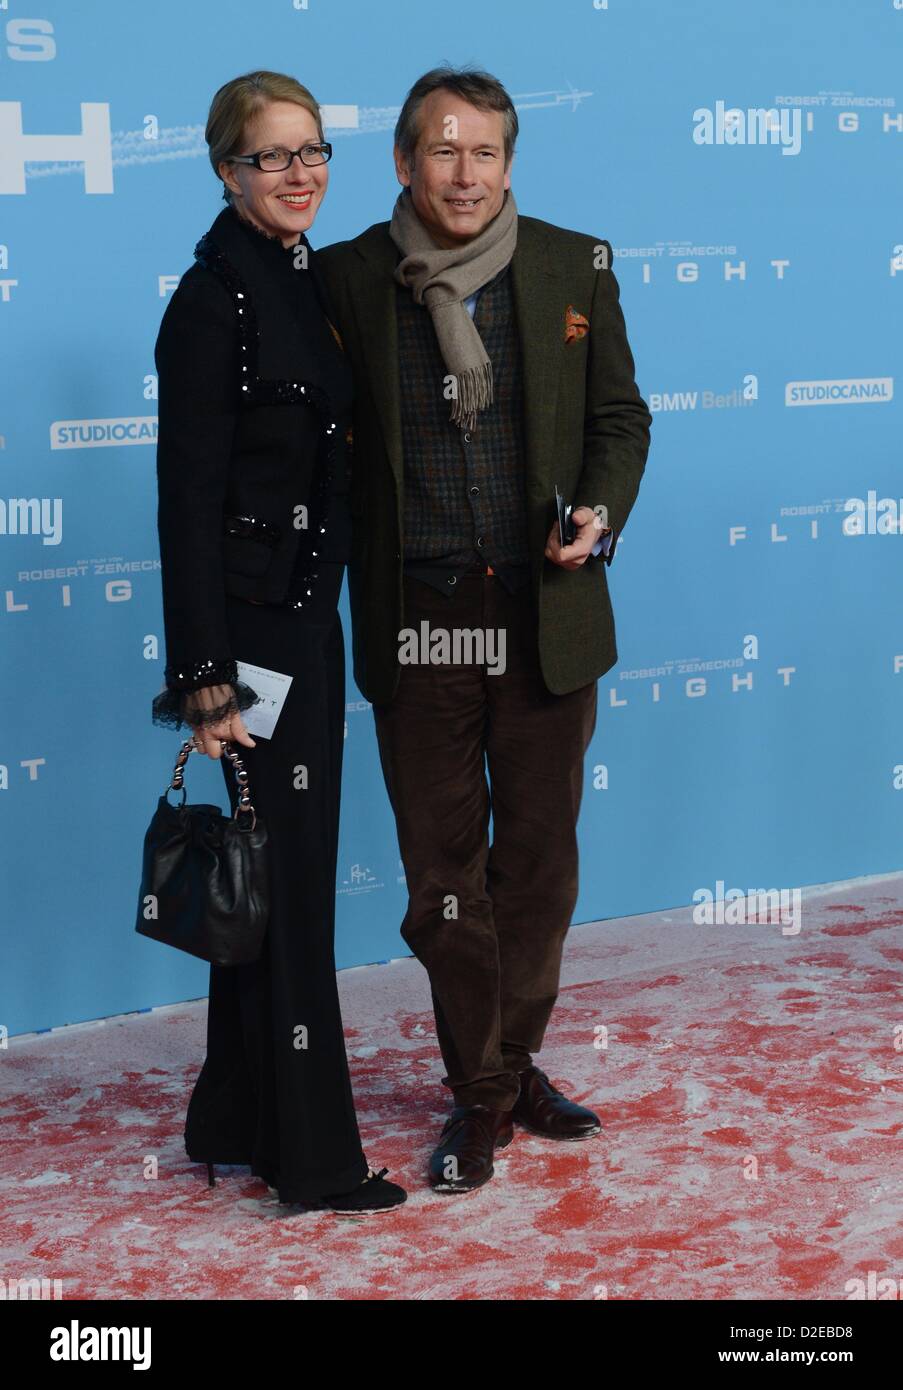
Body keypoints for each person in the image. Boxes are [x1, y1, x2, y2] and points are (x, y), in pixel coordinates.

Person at [319, 65, 652, 1193]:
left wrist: (597, 516)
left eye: (487, 153)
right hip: (423, 624)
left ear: (510, 164)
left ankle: (495, 1079)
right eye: (444, 151)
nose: (467, 175)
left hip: (543, 614)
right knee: (443, 881)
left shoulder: (574, 264)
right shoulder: (349, 277)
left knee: (541, 872)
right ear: (406, 160)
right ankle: (489, 1089)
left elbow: (619, 417)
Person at [151, 69, 405, 1213]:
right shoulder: (213, 301)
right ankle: (313, 1157)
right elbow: (186, 500)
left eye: (313, 152)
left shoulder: (302, 277)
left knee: (268, 870)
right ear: (225, 170)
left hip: (309, 627)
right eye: (272, 158)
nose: (299, 175)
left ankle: (240, 1116)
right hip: (254, 638)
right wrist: (202, 675)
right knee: (289, 882)